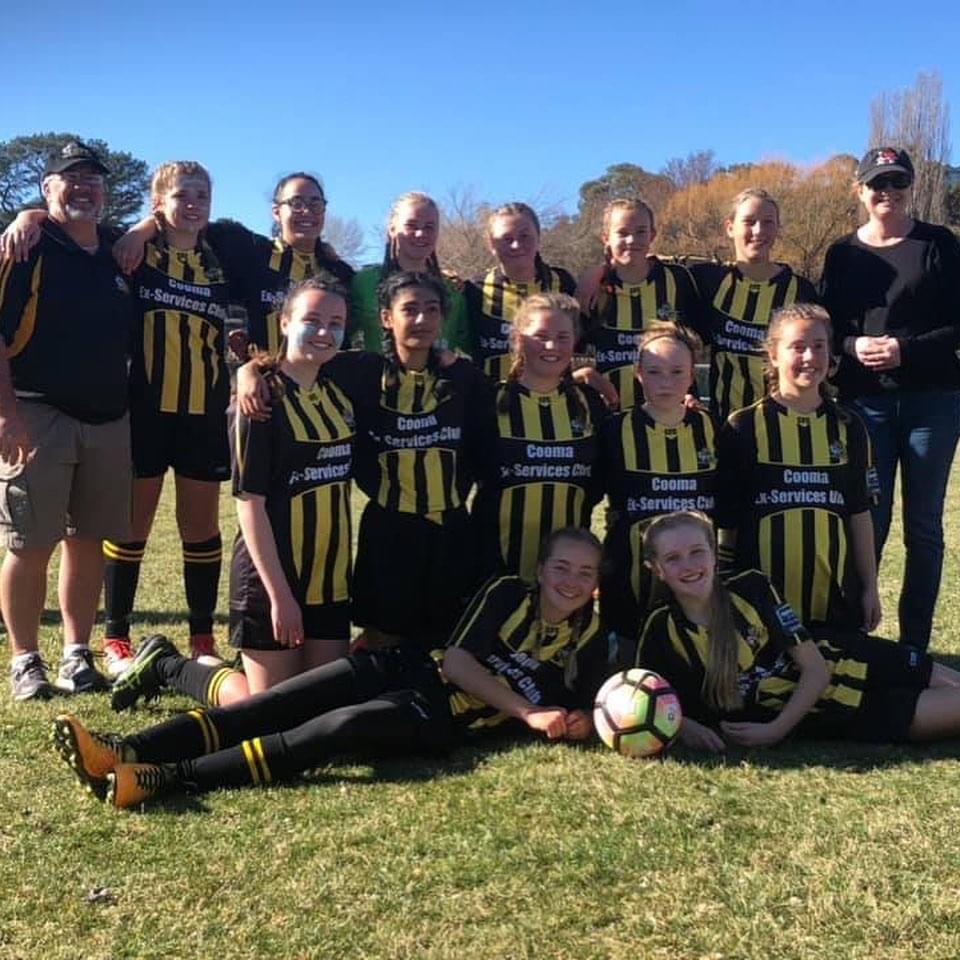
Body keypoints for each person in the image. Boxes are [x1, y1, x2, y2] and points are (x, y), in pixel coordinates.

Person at [52, 527, 608, 808]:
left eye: (585, 573)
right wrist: (529, 712)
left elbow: (585, 710)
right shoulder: (510, 593)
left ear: (598, 582)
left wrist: (577, 721)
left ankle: (167, 778)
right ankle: (125, 749)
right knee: (274, 703)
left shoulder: (591, 638)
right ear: (541, 568)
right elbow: (460, 662)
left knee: (333, 730)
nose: (571, 581)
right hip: (408, 667)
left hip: (434, 716)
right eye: (562, 567)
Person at [2, 161, 235, 671]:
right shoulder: (134, 250)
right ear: (158, 202)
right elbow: (68, 223)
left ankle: (196, 639)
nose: (193, 203)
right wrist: (29, 216)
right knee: (111, 529)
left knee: (183, 529)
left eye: (202, 194)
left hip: (184, 414)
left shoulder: (215, 254)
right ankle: (106, 638)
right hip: (132, 409)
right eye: (181, 195)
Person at [239, 271, 491, 651]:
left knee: (449, 643)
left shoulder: (464, 376)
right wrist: (248, 371)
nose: (422, 320)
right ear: (387, 318)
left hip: (453, 531)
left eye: (432, 310)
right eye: (410, 310)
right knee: (384, 644)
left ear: (443, 317)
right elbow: (293, 363)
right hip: (391, 530)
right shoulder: (360, 371)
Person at [638, 510, 960, 752]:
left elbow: (815, 668)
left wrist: (775, 731)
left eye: (697, 551)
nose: (689, 565)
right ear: (657, 569)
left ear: (714, 553)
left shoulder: (752, 587)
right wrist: (683, 726)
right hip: (845, 710)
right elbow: (645, 700)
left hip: (854, 658)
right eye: (673, 558)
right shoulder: (661, 629)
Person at [0, 140, 134, 700]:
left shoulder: (116, 249)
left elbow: (169, 221)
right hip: (38, 412)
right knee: (29, 543)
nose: (85, 187)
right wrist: (7, 415)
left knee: (88, 543)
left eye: (93, 179)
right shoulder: (27, 244)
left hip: (108, 418)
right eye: (70, 178)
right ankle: (25, 659)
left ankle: (76, 654)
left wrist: (147, 227)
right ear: (46, 189)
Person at [820, 147, 960, 651]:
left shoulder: (939, 244)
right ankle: (856, 639)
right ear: (859, 191)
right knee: (867, 521)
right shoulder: (842, 254)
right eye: (877, 183)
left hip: (932, 403)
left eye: (897, 183)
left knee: (923, 529)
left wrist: (905, 349)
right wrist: (852, 345)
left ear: (911, 188)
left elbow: (956, 327)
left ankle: (913, 650)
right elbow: (826, 328)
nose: (887, 193)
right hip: (865, 405)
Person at [714, 303, 880, 635]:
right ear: (773, 355)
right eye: (797, 347)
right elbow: (727, 521)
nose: (810, 357)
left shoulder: (849, 426)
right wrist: (722, 585)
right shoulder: (743, 426)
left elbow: (859, 515)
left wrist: (870, 586)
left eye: (819, 346)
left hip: (833, 606)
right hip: (758, 609)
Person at [113, 171, 354, 356]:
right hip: (261, 396)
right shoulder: (248, 250)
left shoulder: (339, 273)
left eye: (315, 204)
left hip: (321, 397)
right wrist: (139, 232)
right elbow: (189, 221)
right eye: (296, 203)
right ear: (276, 211)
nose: (306, 212)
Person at [471, 292, 606, 583]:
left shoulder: (590, 404)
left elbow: (599, 483)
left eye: (562, 337)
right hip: (494, 569)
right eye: (540, 335)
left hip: (568, 577)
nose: (551, 346)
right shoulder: (488, 403)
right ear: (519, 339)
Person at [599, 323, 717, 657]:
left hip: (696, 586)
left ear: (693, 374)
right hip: (629, 584)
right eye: (654, 371)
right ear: (638, 374)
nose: (666, 382)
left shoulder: (712, 427)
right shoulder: (613, 431)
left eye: (677, 371)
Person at [688, 188, 818, 424]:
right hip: (723, 424)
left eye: (768, 222)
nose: (759, 231)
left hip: (782, 423)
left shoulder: (800, 291)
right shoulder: (707, 281)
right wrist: (600, 273)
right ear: (730, 227)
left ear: (778, 228)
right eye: (749, 222)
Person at [577, 198, 704, 411]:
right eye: (622, 233)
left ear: (652, 235)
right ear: (606, 237)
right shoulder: (593, 287)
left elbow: (696, 342)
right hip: (612, 415)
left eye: (641, 232)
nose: (632, 240)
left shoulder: (677, 279)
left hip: (673, 411)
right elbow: (572, 348)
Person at [463, 202, 576, 382]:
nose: (516, 245)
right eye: (507, 239)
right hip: (491, 402)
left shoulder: (564, 283)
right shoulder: (474, 288)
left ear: (538, 238)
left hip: (554, 399)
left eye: (525, 236)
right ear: (491, 244)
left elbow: (584, 342)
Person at [347, 192, 468, 354]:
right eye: (411, 225)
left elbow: (469, 345)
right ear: (392, 229)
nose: (420, 234)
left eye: (429, 227)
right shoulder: (364, 282)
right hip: (378, 377)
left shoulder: (452, 288)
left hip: (438, 378)